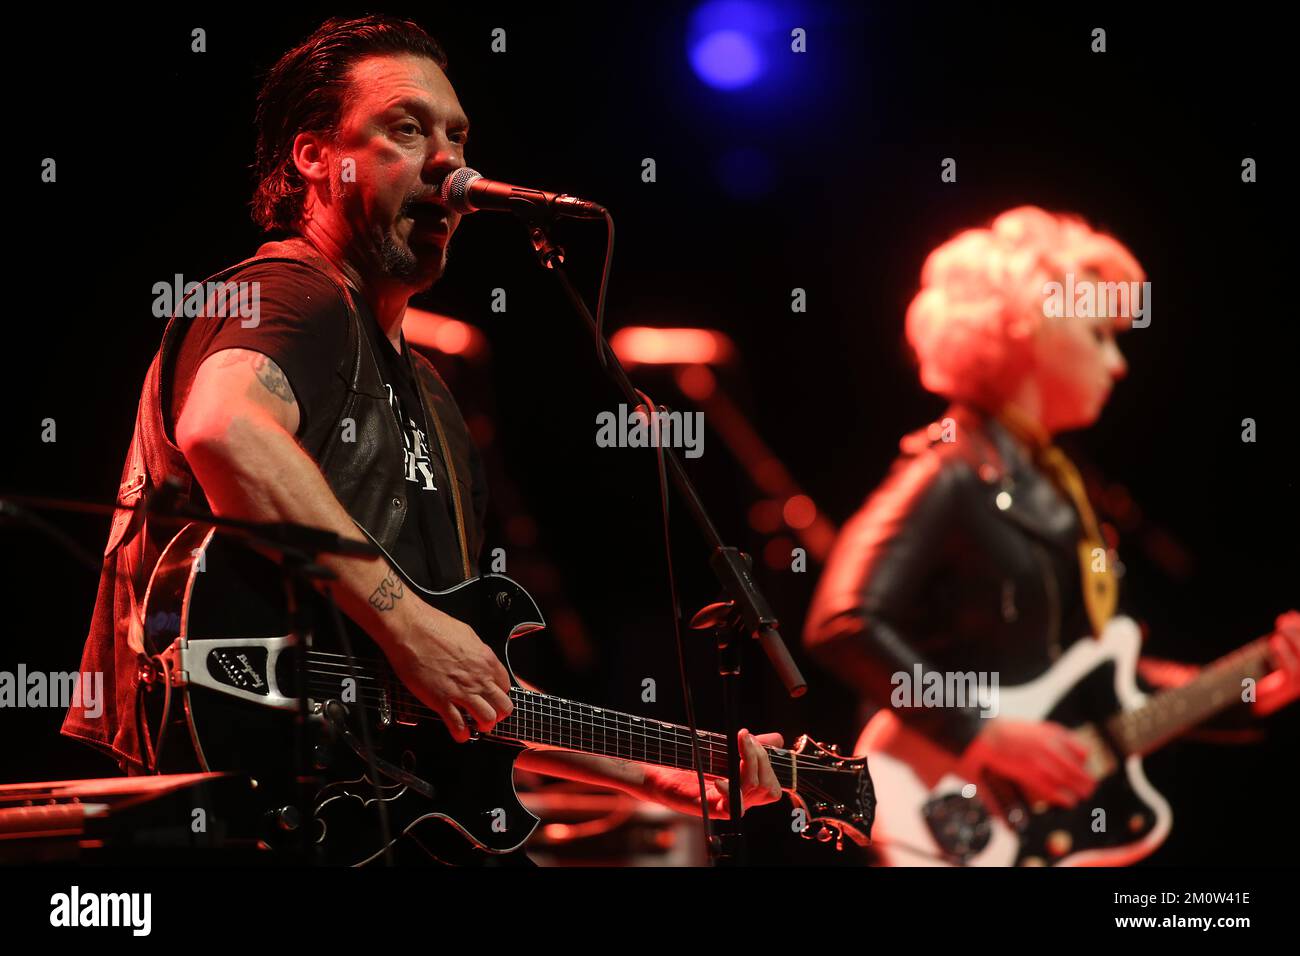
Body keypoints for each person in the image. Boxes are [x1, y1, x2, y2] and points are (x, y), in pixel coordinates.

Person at [61, 15, 782, 857]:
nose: (450, 161)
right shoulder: (293, 291)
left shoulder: (435, 399)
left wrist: (653, 772)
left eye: (457, 134)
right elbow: (225, 430)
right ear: (315, 157)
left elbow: (457, 679)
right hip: (227, 799)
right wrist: (412, 626)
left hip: (352, 817)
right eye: (407, 129)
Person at [803, 206, 1299, 828]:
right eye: (1099, 335)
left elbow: (1094, 673)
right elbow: (842, 621)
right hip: (944, 810)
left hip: (1022, 823)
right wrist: (978, 729)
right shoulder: (950, 468)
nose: (1117, 364)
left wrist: (1248, 692)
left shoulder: (1055, 479)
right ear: (1027, 328)